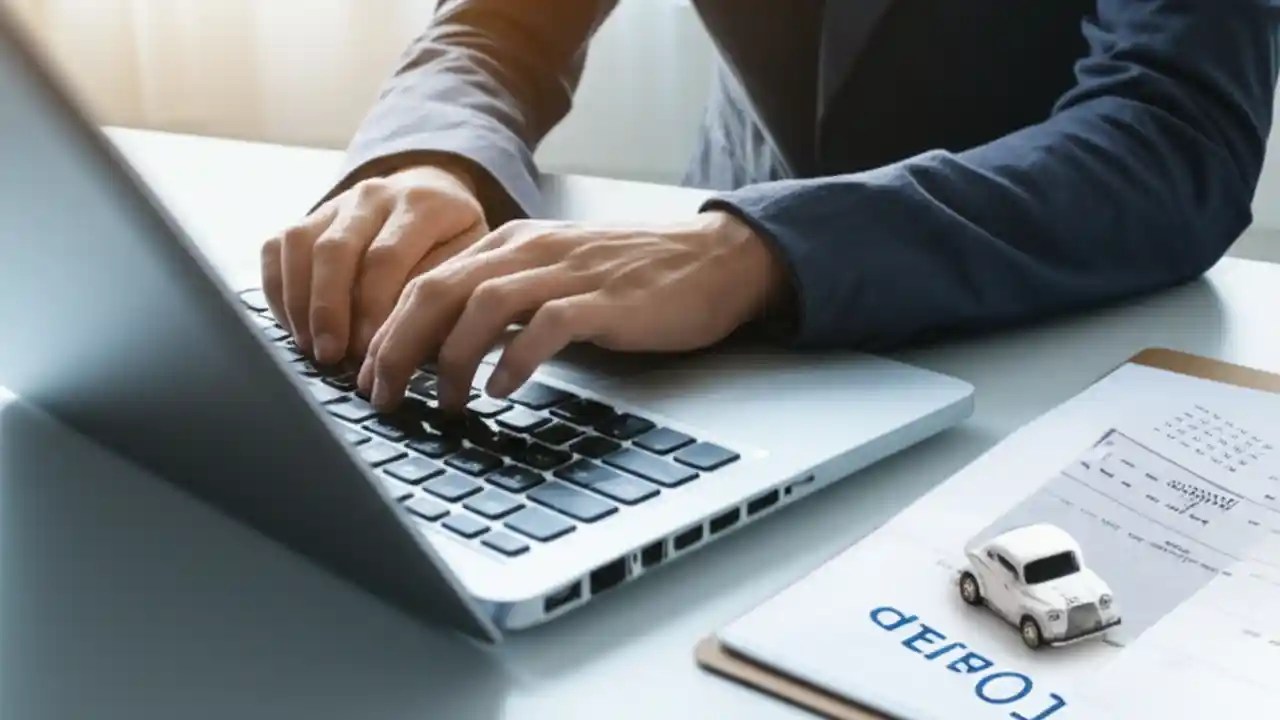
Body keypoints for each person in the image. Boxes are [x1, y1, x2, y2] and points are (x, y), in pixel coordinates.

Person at [259, 0, 1279, 413]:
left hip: (1047, 341)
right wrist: (433, 157)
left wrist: (753, 256)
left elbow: (1172, 129)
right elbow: (503, 24)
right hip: (700, 342)